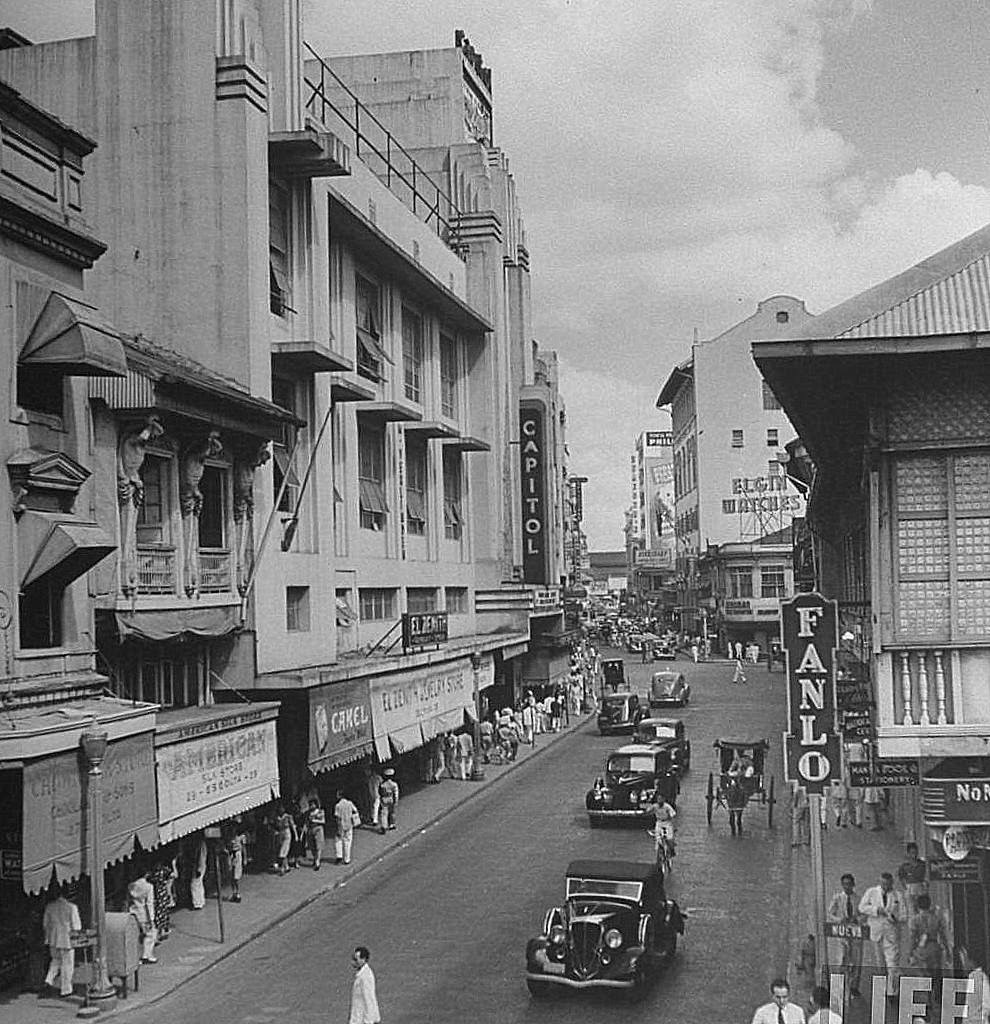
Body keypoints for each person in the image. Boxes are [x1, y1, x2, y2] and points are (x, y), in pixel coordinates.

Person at [859, 872, 904, 997]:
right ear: (880, 882)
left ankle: (892, 992)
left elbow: (904, 915)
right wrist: (876, 910)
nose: (885, 886)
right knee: (880, 963)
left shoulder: (898, 895)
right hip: (876, 932)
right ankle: (884, 986)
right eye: (883, 883)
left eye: (888, 884)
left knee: (892, 962)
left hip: (891, 933)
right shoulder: (871, 892)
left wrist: (896, 918)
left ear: (892, 883)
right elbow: (861, 907)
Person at [908, 893, 948, 1010]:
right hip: (934, 947)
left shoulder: (914, 920)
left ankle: (927, 1000)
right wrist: (947, 949)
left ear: (917, 905)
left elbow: (912, 938)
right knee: (936, 973)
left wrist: (910, 952)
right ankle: (938, 996)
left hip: (921, 950)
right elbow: (943, 935)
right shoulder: (936, 918)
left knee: (924, 975)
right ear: (929, 905)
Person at [826, 873, 863, 998]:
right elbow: (830, 914)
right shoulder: (837, 898)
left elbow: (864, 914)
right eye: (845, 884)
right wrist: (839, 920)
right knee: (842, 959)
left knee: (856, 960)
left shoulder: (859, 899)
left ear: (853, 885)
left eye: (849, 884)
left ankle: (853, 986)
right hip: (842, 932)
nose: (847, 887)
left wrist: (857, 919)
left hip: (855, 932)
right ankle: (839, 985)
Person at [41, 886, 82, 998]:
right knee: (67, 964)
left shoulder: (49, 907)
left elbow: (45, 924)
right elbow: (77, 926)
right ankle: (66, 989)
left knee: (55, 961)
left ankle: (48, 980)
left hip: (53, 939)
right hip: (66, 939)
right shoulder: (71, 907)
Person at [127, 870, 158, 963]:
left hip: (133, 911)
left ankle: (136, 955)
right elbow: (149, 903)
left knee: (137, 934)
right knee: (151, 934)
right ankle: (147, 955)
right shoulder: (148, 887)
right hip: (144, 914)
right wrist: (151, 919)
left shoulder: (131, 886)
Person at [349, 945, 381, 1024]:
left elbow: (368, 999)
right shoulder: (362, 973)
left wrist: (368, 1021)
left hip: (362, 1019)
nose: (353, 962)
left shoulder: (365, 977)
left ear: (363, 959)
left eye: (356, 959)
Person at [897, 842, 928, 921]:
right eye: (912, 853)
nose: (914, 855)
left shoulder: (922, 864)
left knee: (922, 910)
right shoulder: (904, 866)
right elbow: (901, 877)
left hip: (920, 888)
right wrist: (906, 888)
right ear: (908, 853)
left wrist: (925, 885)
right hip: (909, 888)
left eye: (915, 853)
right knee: (911, 912)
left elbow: (926, 876)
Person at [959, 946, 990, 1024]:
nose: (962, 964)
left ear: (970, 960)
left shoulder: (976, 977)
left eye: (963, 959)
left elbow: (985, 1006)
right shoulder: (975, 977)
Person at [333, 790, 360, 865]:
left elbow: (337, 817)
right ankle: (347, 859)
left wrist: (338, 827)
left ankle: (339, 856)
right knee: (348, 841)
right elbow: (355, 810)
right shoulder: (350, 803)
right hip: (349, 825)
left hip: (341, 825)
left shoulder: (338, 805)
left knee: (338, 840)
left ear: (340, 795)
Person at [224, 819, 246, 899]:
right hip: (230, 855)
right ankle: (234, 892)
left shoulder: (241, 837)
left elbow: (243, 848)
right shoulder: (228, 837)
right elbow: (226, 845)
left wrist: (245, 858)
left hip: (237, 854)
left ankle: (238, 892)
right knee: (231, 875)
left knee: (236, 876)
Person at [274, 805, 296, 875]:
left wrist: (296, 835)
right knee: (283, 851)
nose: (281, 809)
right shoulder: (276, 817)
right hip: (280, 833)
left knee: (282, 852)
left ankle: (282, 869)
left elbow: (292, 825)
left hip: (287, 833)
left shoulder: (288, 816)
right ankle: (287, 866)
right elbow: (274, 826)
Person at [306, 800, 326, 870]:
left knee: (318, 846)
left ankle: (317, 861)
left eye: (312, 804)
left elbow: (323, 821)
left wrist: (315, 821)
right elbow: (306, 822)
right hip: (310, 830)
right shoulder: (308, 813)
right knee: (312, 846)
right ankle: (315, 858)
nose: (311, 806)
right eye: (310, 805)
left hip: (318, 829)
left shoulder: (320, 811)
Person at [189, 834, 208, 907]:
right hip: (201, 865)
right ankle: (201, 901)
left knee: (194, 884)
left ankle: (197, 903)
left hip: (199, 866)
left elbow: (200, 857)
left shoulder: (200, 845)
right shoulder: (203, 844)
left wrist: (198, 868)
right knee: (199, 883)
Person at [378, 769, 399, 833]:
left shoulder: (382, 785)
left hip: (384, 799)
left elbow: (380, 792)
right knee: (392, 812)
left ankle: (384, 826)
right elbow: (396, 794)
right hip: (391, 799)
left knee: (384, 813)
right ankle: (392, 824)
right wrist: (396, 801)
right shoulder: (394, 784)